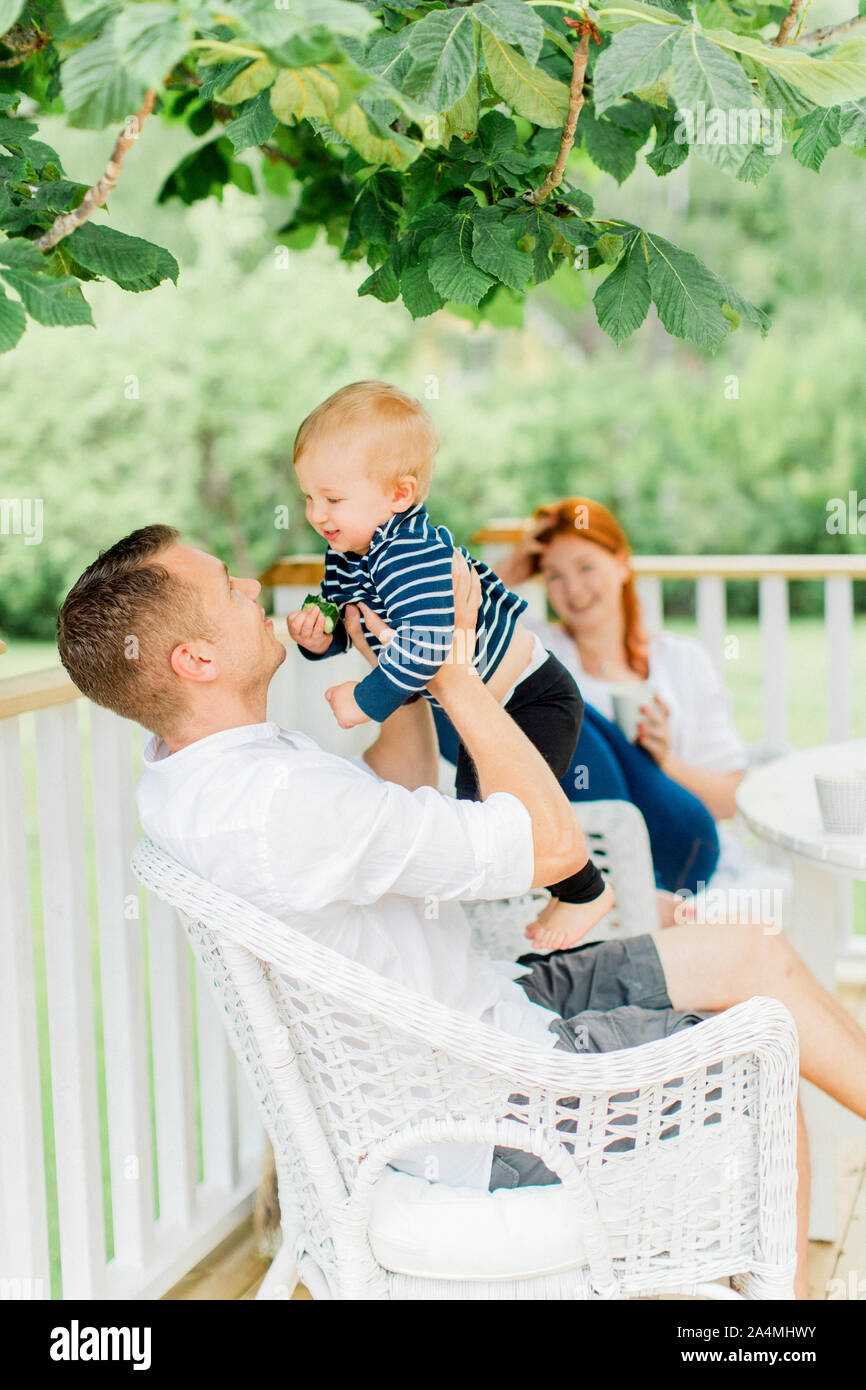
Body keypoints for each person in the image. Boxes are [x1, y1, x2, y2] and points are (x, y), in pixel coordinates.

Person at [56, 524, 866, 1298]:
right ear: (194, 658)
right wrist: (452, 675)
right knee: (761, 1063)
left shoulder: (193, 774)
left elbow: (399, 789)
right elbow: (553, 848)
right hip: (501, 1102)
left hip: (483, 1013)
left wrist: (398, 680)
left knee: (750, 954)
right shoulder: (278, 805)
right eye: (226, 587)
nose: (253, 583)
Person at [287, 380, 607, 951]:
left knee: (510, 823)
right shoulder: (350, 549)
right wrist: (319, 636)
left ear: (399, 494)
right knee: (478, 825)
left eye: (332, 499)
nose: (316, 514)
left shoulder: (413, 555)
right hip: (483, 706)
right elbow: (350, 621)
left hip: (532, 696)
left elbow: (429, 648)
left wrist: (363, 701)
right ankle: (528, 921)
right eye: (309, 497)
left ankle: (586, 893)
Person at [436, 497, 751, 922]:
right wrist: (510, 570)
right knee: (464, 690)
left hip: (680, 847)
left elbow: (731, 800)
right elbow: (448, 638)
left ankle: (615, 887)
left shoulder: (681, 660)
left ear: (622, 564)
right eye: (554, 576)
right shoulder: (534, 643)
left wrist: (662, 761)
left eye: (586, 567)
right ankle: (602, 887)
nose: (574, 590)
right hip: (570, 848)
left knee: (557, 697)